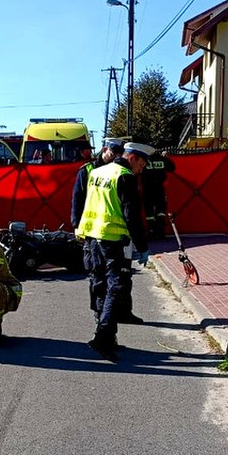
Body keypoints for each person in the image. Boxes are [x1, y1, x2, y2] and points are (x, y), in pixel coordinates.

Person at [76, 141, 152, 362]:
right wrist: (143, 247)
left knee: (99, 285)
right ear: (132, 158)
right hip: (111, 240)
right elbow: (132, 216)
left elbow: (86, 202)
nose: (142, 169)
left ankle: (105, 336)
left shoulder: (97, 172)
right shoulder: (125, 176)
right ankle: (103, 337)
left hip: (92, 238)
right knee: (115, 287)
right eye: (142, 164)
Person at [70, 138, 124, 231]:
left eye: (118, 156)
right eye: (112, 154)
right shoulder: (87, 170)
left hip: (111, 227)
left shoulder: (119, 171)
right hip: (90, 226)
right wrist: (76, 224)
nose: (115, 158)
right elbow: (77, 198)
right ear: (104, 150)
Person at [141, 149, 177, 240]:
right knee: (160, 210)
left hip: (147, 188)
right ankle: (160, 232)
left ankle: (151, 232)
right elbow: (172, 167)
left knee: (149, 211)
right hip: (159, 188)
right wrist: (166, 158)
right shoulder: (161, 159)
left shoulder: (144, 159)